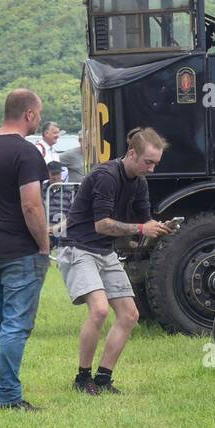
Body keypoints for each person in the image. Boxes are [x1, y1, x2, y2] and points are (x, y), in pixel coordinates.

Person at [57, 127, 175, 395]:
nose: (152, 169)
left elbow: (143, 226)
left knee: (130, 315)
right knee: (98, 310)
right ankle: (82, 378)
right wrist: (142, 230)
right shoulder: (106, 176)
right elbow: (102, 225)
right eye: (148, 162)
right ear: (131, 153)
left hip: (103, 251)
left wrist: (162, 229)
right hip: (79, 247)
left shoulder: (140, 183)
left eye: (156, 163)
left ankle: (103, 379)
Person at [0, 89, 51, 410]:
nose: (39, 120)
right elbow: (31, 205)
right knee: (16, 323)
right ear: (29, 114)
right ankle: (10, 398)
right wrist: (44, 244)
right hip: (19, 250)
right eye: (39, 114)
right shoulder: (27, 153)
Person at [45, 161, 73, 236]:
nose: (55, 177)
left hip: (63, 228)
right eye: (53, 174)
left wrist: (57, 227)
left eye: (58, 174)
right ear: (48, 174)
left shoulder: (70, 190)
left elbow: (74, 214)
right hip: (43, 228)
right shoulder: (42, 189)